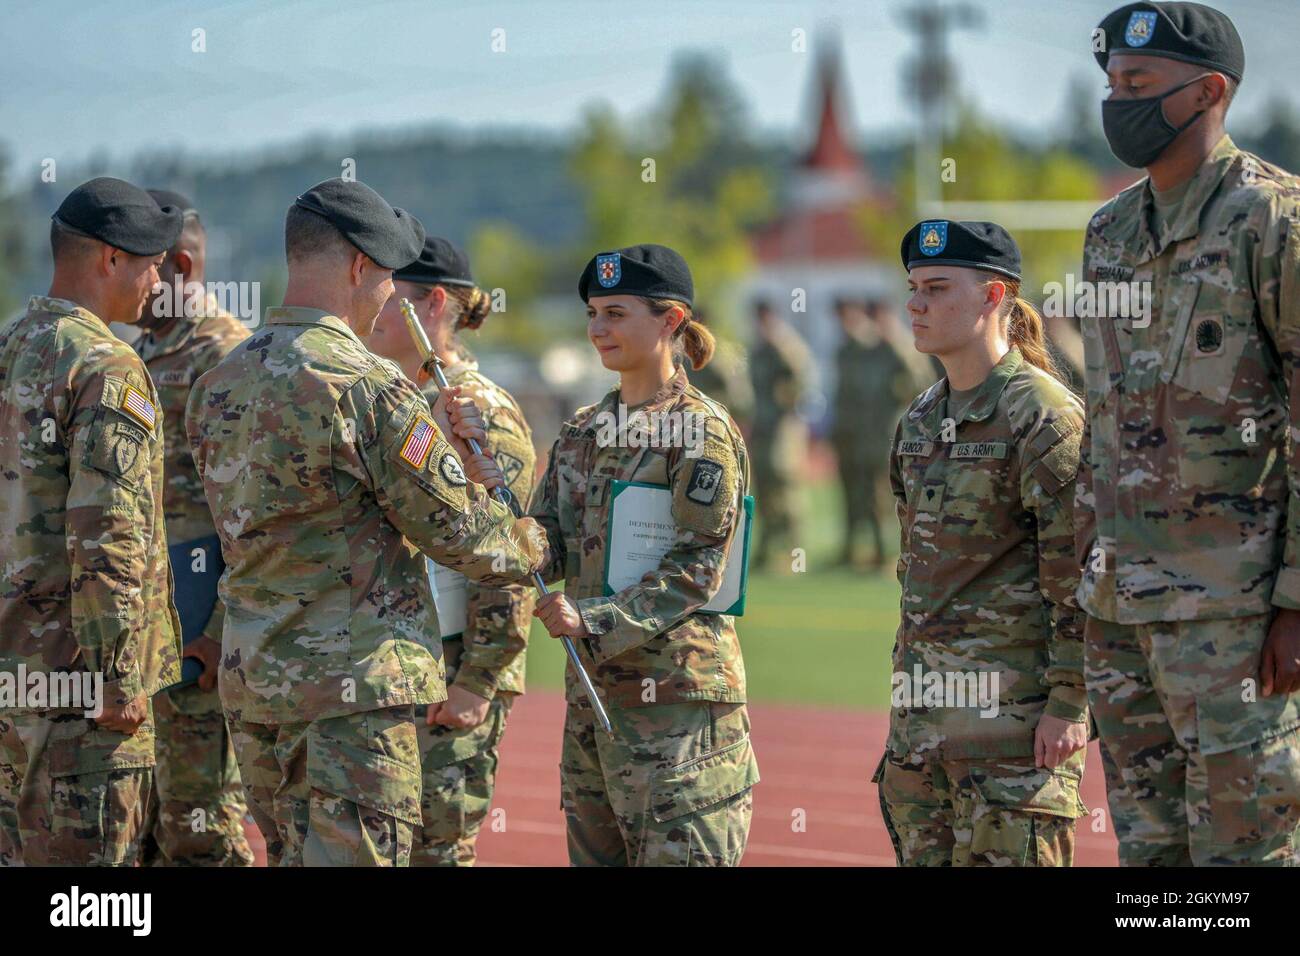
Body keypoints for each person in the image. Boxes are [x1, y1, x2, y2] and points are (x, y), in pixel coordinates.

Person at [184, 179, 547, 866]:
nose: (387, 298)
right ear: (359, 267)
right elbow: (460, 534)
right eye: (386, 279)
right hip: (351, 698)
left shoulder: (219, 382)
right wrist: (534, 540)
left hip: (256, 687)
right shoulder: (372, 387)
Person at [1079, 1, 1300, 865]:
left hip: (1235, 614)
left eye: (1138, 83)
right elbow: (1103, 417)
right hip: (1121, 610)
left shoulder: (1273, 219)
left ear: (1208, 91)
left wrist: (1296, 601)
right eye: (1111, 84)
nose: (1117, 101)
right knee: (1151, 858)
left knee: (1247, 855)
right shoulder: (1108, 233)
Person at [472, 244, 759, 866]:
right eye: (592, 314)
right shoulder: (583, 430)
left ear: (670, 320)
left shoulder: (699, 431)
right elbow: (548, 545)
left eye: (616, 314)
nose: (598, 328)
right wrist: (495, 504)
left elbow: (700, 569)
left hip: (677, 704)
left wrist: (593, 618)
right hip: (594, 698)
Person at [875, 220, 1089, 866]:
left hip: (1012, 743)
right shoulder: (919, 420)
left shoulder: (1044, 416)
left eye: (937, 288)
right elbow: (915, 576)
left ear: (994, 296)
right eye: (913, 288)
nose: (916, 304)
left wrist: (1070, 702)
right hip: (922, 740)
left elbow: (1081, 576)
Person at [0, 178, 184, 865]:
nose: (157, 282)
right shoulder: (105, 365)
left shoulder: (10, 345)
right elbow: (109, 532)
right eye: (151, 264)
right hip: (80, 698)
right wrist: (119, 672)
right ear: (110, 258)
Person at [368, 236, 537, 866]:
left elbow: (507, 554)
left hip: (454, 666)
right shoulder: (397, 397)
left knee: (435, 849)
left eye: (388, 297)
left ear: (433, 304)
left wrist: (478, 680)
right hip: (399, 658)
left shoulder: (480, 410)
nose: (371, 310)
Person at [128, 189, 254, 867]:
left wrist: (220, 628)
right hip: (147, 630)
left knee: (200, 831)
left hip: (200, 638)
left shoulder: (225, 356)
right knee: (141, 829)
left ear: (179, 266)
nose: (130, 277)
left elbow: (253, 513)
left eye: (141, 262)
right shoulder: (139, 350)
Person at [831, 297, 916, 569]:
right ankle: (857, 550)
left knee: (883, 494)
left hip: (885, 434)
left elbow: (919, 383)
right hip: (858, 435)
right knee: (858, 493)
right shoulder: (860, 351)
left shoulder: (895, 349)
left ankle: (886, 553)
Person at [748, 299, 812, 570]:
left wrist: (783, 402)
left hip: (783, 428)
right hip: (762, 426)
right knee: (763, 485)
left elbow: (800, 384)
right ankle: (768, 547)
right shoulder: (757, 350)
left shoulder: (786, 346)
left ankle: (793, 549)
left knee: (784, 484)